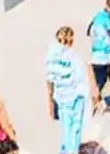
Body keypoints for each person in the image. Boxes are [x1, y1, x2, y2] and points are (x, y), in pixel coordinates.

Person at [45, 26, 100, 154]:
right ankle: (72, 151)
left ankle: (66, 151)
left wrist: (50, 103)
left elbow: (49, 82)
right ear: (71, 40)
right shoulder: (76, 56)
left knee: (66, 129)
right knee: (76, 128)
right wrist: (95, 93)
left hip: (62, 98)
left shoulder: (53, 57)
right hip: (77, 96)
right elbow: (88, 73)